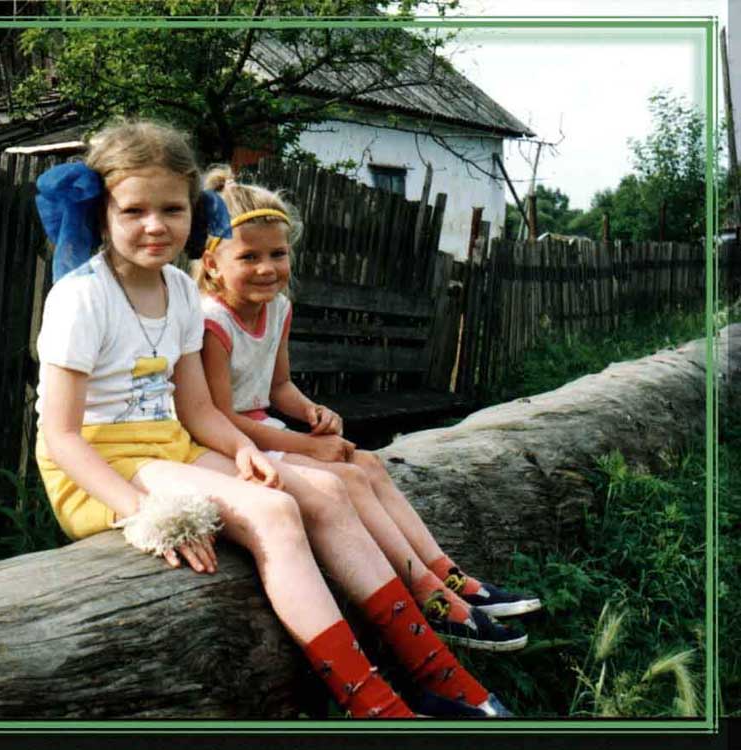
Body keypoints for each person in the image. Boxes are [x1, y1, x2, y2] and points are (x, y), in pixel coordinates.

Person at [33, 119, 511, 719]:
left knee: (324, 489)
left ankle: (434, 668)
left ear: (194, 211)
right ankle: (373, 704)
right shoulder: (81, 297)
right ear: (101, 211)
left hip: (170, 447)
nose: (155, 226)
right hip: (102, 465)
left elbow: (199, 409)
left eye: (172, 209)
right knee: (275, 510)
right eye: (133, 211)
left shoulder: (181, 291)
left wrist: (242, 451)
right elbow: (63, 435)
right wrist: (145, 514)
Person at [195, 166, 541, 652]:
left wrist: (314, 412)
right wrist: (309, 445)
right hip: (230, 446)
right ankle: (427, 598)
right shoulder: (212, 323)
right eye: (248, 256)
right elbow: (221, 415)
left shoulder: (278, 309)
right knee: (348, 477)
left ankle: (448, 576)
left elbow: (278, 387)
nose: (267, 268)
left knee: (369, 463)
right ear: (212, 264)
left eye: (278, 253)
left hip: (268, 431)